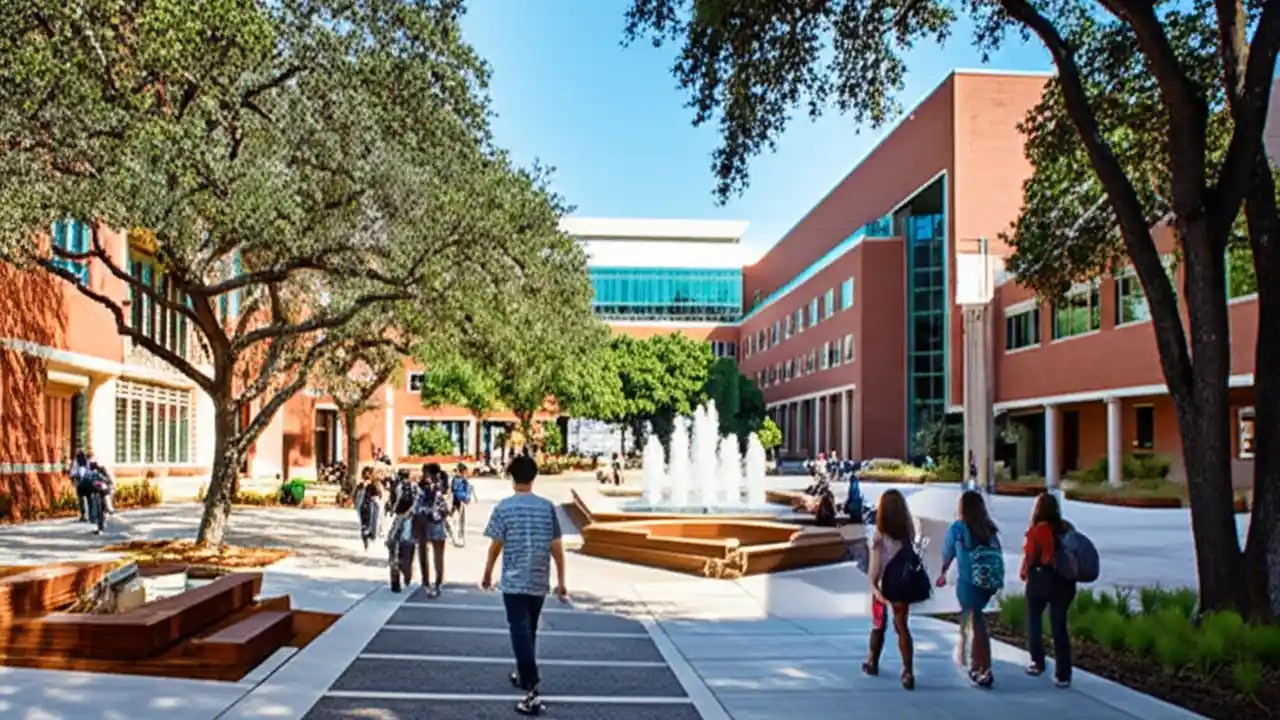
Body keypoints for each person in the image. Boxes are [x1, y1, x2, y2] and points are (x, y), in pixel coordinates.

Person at [482, 455, 569, 717]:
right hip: (539, 578)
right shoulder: (547, 507)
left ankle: (531, 686)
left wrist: (487, 573)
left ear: (512, 478)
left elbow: (496, 545)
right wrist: (562, 581)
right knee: (528, 629)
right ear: (534, 477)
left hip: (513, 579)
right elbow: (557, 548)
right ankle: (523, 673)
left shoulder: (504, 507)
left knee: (519, 629)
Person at [937, 490, 1002, 687]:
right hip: (988, 582)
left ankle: (982, 667)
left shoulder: (958, 528)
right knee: (975, 618)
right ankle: (974, 661)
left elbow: (947, 553)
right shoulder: (990, 529)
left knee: (976, 622)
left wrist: (943, 572)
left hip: (968, 582)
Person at [1022, 492, 1077, 688]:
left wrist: (1024, 573)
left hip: (1041, 580)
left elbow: (1029, 557)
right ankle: (1063, 674)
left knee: (1034, 620)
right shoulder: (1067, 528)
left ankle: (1037, 662)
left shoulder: (1036, 531)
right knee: (1059, 627)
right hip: (1065, 582)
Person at [863, 488, 916, 690]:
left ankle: (872, 661)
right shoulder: (907, 535)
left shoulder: (879, 536)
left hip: (884, 586)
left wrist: (874, 588)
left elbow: (874, 570)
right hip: (903, 585)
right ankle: (908, 670)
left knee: (878, 625)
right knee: (902, 626)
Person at [413, 464, 448, 598]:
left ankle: (436, 582)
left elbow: (418, 507)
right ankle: (427, 581)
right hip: (428, 522)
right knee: (425, 552)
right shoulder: (424, 488)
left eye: (425, 473)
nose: (423, 476)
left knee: (435, 554)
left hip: (433, 522)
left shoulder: (440, 488)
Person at [385, 492, 416, 592]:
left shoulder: (411, 518)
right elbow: (393, 532)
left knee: (404, 564)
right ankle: (395, 584)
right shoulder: (401, 518)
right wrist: (390, 541)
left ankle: (406, 578)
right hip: (399, 542)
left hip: (408, 543)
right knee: (396, 564)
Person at [356, 467, 383, 550]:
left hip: (371, 507)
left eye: (368, 474)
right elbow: (356, 495)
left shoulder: (375, 483)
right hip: (364, 507)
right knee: (364, 525)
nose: (366, 476)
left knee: (370, 524)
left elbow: (380, 494)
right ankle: (366, 541)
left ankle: (369, 537)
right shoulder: (361, 485)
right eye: (365, 474)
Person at [451, 464, 474, 533]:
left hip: (458, 499)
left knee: (458, 516)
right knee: (460, 518)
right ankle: (459, 533)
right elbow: (458, 491)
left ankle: (459, 532)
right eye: (466, 472)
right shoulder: (460, 480)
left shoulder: (458, 479)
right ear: (463, 472)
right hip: (459, 500)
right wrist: (466, 498)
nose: (467, 474)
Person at [69, 452, 91, 522]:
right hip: (86, 483)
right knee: (88, 499)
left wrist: (73, 480)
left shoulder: (76, 463)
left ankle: (84, 515)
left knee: (82, 500)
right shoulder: (87, 462)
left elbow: (72, 474)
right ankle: (89, 515)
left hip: (81, 484)